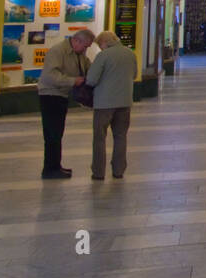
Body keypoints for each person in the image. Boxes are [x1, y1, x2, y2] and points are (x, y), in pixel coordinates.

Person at [37, 29, 95, 179]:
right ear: (76, 41)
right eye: (85, 46)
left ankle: (56, 165)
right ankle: (50, 169)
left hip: (61, 95)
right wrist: (72, 81)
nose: (85, 49)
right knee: (52, 133)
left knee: (57, 132)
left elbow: (89, 68)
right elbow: (50, 75)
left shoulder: (79, 54)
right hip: (50, 95)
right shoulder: (57, 51)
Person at [86, 31, 138, 180]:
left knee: (99, 138)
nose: (100, 48)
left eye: (99, 45)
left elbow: (91, 79)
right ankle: (118, 169)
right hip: (125, 101)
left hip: (104, 103)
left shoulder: (103, 56)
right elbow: (134, 75)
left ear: (104, 43)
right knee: (121, 136)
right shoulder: (130, 53)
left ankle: (98, 171)